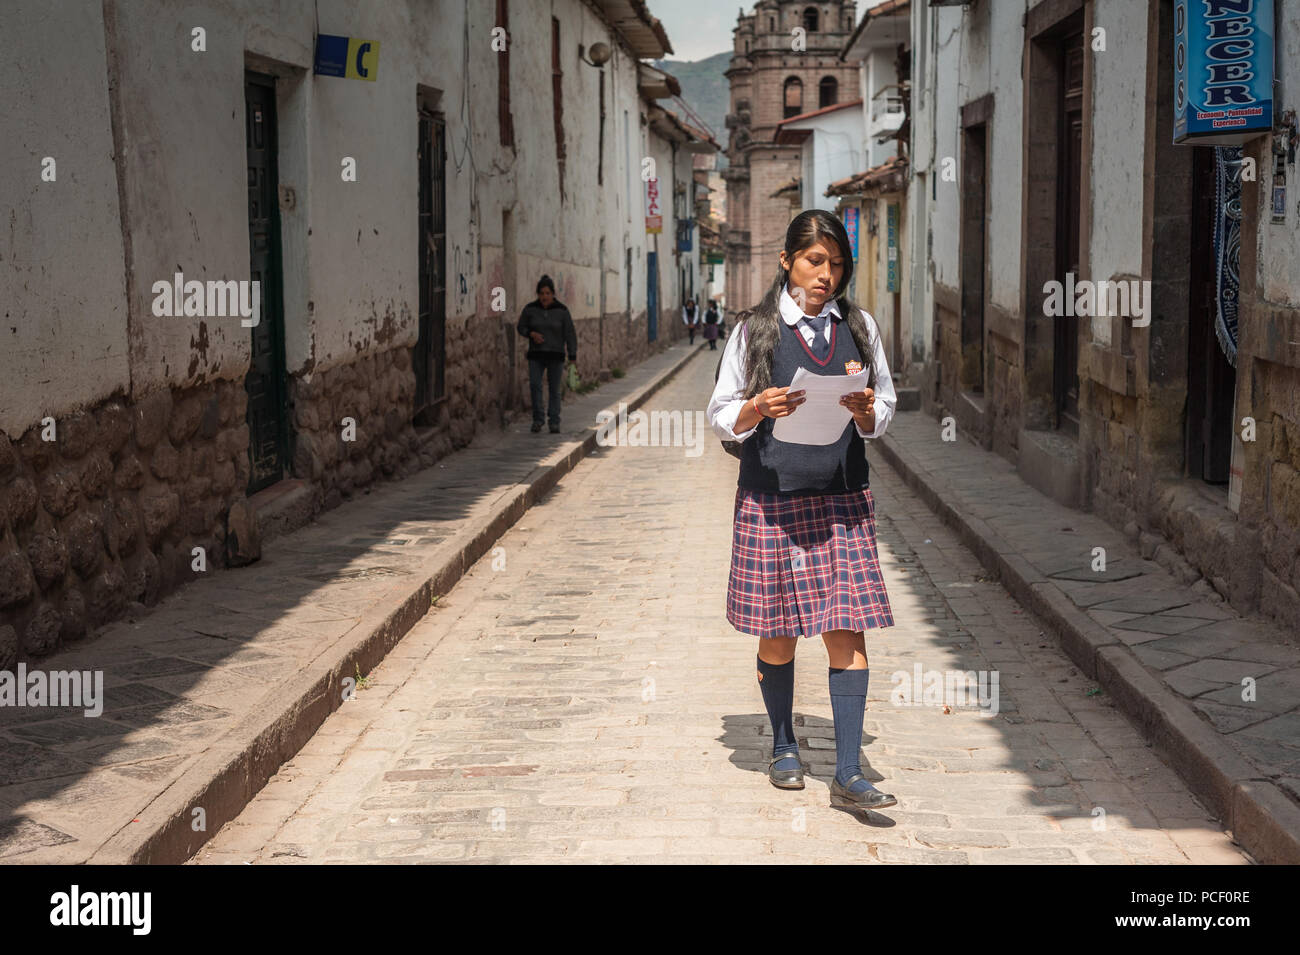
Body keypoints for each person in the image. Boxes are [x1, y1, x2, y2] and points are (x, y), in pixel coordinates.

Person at [706, 208, 899, 813]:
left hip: (843, 499)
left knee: (848, 629)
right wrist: (757, 407)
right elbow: (720, 414)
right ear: (788, 260)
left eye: (837, 265)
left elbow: (883, 409)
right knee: (779, 634)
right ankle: (784, 743)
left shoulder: (860, 327)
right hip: (773, 498)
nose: (826, 276)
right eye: (816, 261)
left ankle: (848, 771)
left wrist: (866, 412)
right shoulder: (754, 331)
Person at [516, 275, 577, 433]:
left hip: (555, 356)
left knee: (554, 389)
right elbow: (521, 327)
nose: (545, 297)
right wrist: (531, 334)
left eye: (548, 293)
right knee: (535, 386)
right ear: (538, 294)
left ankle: (554, 421)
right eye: (542, 293)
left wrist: (572, 356)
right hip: (536, 356)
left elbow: (570, 333)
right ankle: (538, 419)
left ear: (553, 294)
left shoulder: (562, 311)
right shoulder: (530, 309)